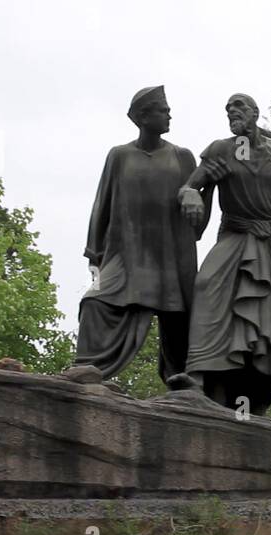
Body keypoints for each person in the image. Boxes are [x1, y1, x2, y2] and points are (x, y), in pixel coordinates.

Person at [177, 93, 271, 414]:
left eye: (239, 107)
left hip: (270, 245)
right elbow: (190, 185)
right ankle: (197, 376)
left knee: (262, 321)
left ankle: (251, 391)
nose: (232, 112)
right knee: (206, 286)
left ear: (256, 113)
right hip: (234, 234)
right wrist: (190, 194)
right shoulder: (219, 149)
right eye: (228, 109)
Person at [71, 86, 197, 383]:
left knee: (182, 321)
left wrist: (198, 200)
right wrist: (95, 254)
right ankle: (86, 371)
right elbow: (101, 203)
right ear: (143, 117)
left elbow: (199, 207)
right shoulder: (119, 156)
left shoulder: (182, 157)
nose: (169, 115)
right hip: (125, 259)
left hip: (171, 259)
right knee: (94, 302)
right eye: (163, 110)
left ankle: (186, 383)